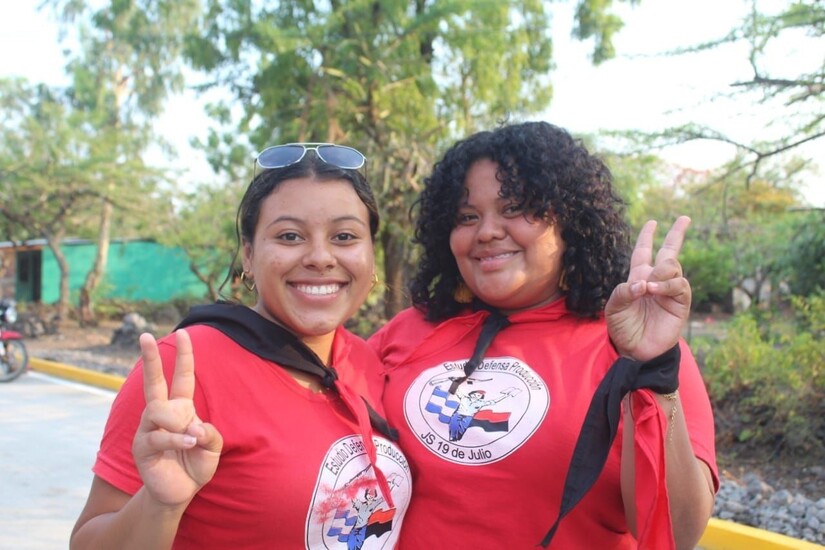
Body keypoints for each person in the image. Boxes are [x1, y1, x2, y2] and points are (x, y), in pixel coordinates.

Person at [368, 121, 718, 549]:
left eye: (515, 208)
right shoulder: (405, 333)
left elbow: (677, 534)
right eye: (466, 217)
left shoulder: (637, 346)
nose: (487, 231)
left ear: (569, 221)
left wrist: (651, 373)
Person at [71, 144, 412, 549]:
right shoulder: (185, 367)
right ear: (248, 256)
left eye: (344, 236)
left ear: (370, 255)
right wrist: (159, 505)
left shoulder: (367, 360)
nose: (321, 257)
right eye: (289, 236)